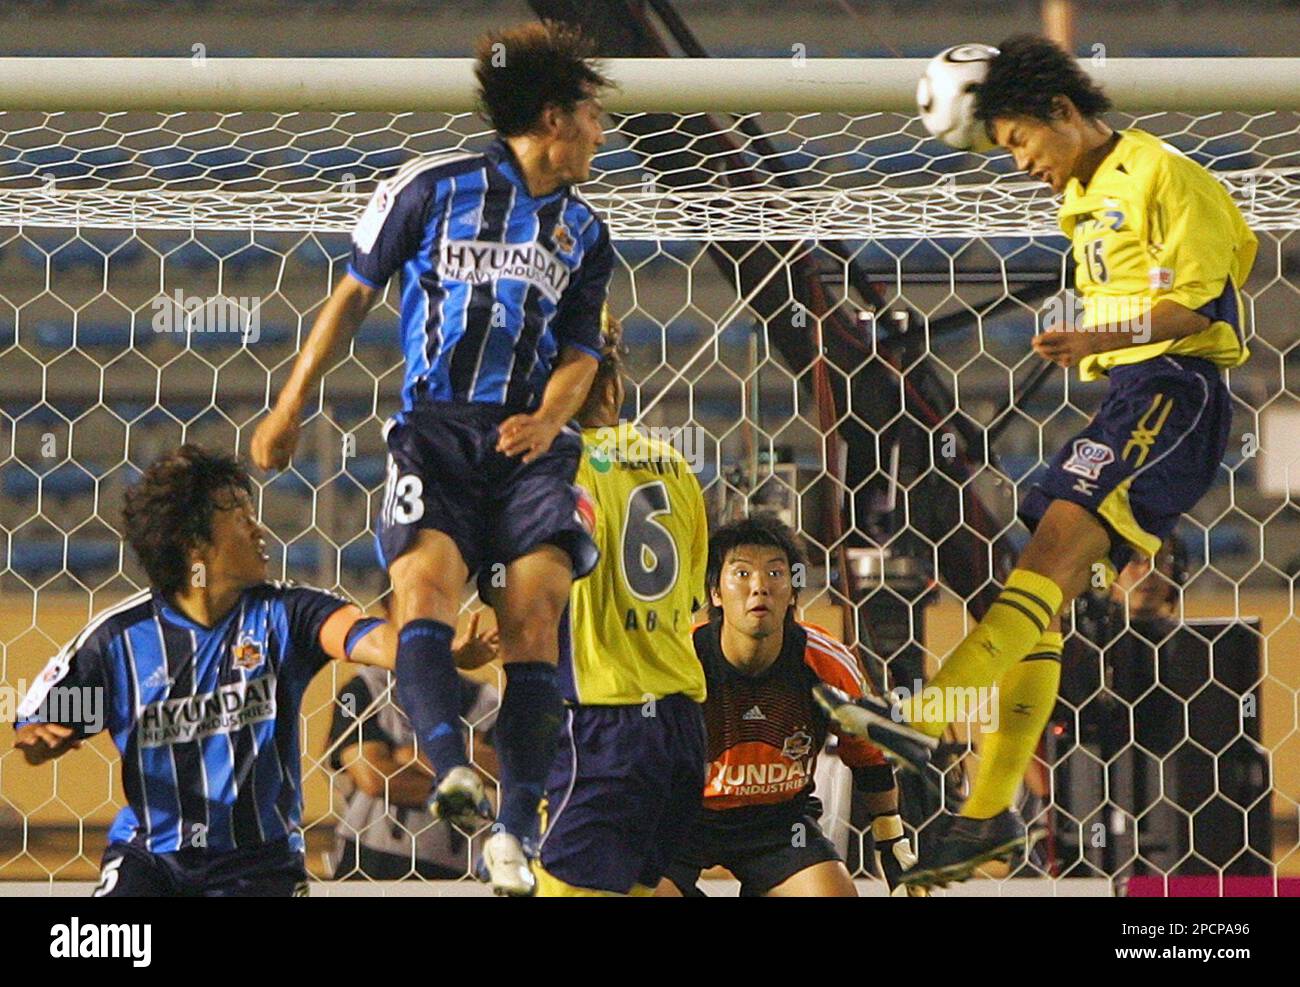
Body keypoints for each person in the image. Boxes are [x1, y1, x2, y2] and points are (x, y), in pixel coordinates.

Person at [819, 34, 1255, 889]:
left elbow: (1200, 300)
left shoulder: (1164, 173)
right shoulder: (1083, 198)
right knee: (1039, 595)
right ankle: (986, 816)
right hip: (1128, 397)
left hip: (1175, 388)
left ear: (1060, 111)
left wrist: (1100, 334)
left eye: (1019, 140)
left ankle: (933, 715)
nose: (1019, 161)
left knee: (1043, 565)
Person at [249, 20, 613, 895]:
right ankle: (451, 767)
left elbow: (583, 352)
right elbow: (350, 298)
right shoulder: (429, 187)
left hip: (532, 447)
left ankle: (516, 830)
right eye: (595, 116)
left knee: (534, 625)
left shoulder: (587, 233)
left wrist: (548, 417)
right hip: (438, 431)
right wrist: (290, 404)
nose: (604, 134)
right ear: (556, 118)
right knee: (424, 599)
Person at [12, 445, 397, 897]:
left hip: (260, 863)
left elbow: (367, 639)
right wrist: (39, 742)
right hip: (152, 858)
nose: (259, 529)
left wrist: (434, 646)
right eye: (240, 518)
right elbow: (40, 728)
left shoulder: (285, 615)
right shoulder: (119, 641)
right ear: (195, 545)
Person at [528, 309, 710, 896]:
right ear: (616, 386)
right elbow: (688, 599)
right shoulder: (675, 466)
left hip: (603, 725)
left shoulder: (557, 470)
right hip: (680, 728)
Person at [660, 515, 922, 897]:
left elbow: (869, 758)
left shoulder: (826, 662)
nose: (760, 587)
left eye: (775, 573)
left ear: (793, 592)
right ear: (715, 592)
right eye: (742, 573)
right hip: (681, 819)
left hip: (781, 825)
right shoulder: (677, 662)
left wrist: (892, 844)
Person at [328, 606, 501, 882]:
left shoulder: (485, 701)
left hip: (453, 868)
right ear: (387, 614)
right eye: (414, 604)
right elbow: (374, 778)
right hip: (368, 859)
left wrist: (410, 757)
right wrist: (461, 785)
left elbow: (500, 771)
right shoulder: (365, 689)